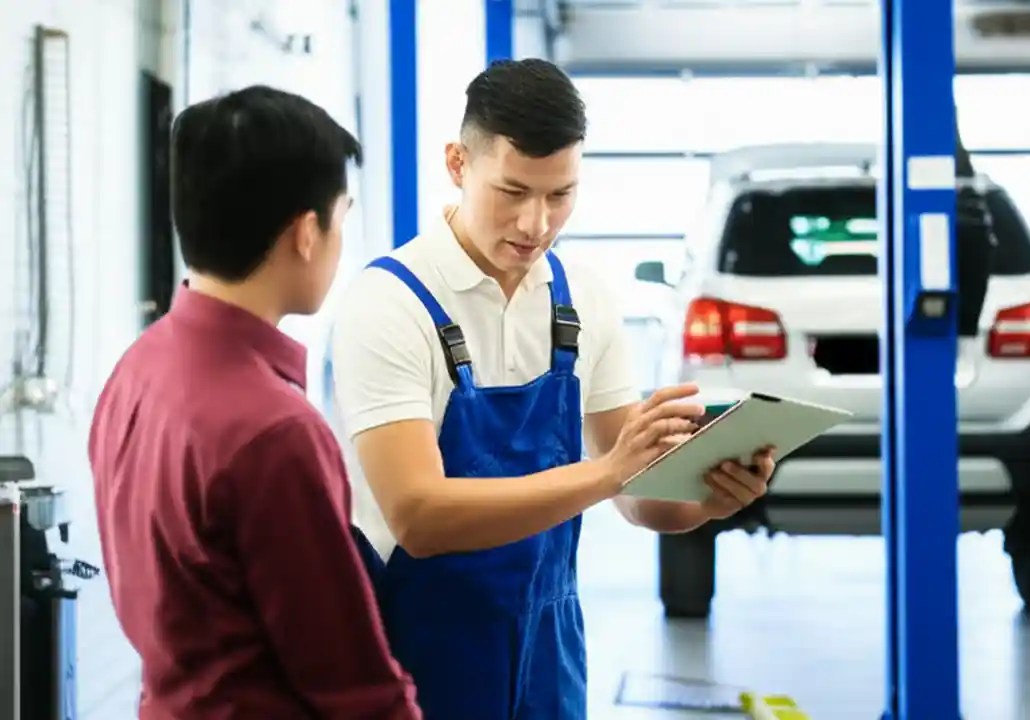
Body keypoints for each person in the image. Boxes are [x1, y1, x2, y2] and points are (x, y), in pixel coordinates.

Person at [329, 58, 776, 719]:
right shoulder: (390, 303)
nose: (536, 224)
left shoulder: (582, 298)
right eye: (512, 191)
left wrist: (707, 498)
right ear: (458, 164)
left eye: (559, 195)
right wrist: (609, 473)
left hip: (549, 655)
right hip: (418, 663)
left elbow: (637, 496)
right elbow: (418, 518)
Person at [88, 85, 420, 719]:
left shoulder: (136, 370)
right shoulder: (274, 430)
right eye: (341, 218)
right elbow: (353, 685)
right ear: (305, 233)